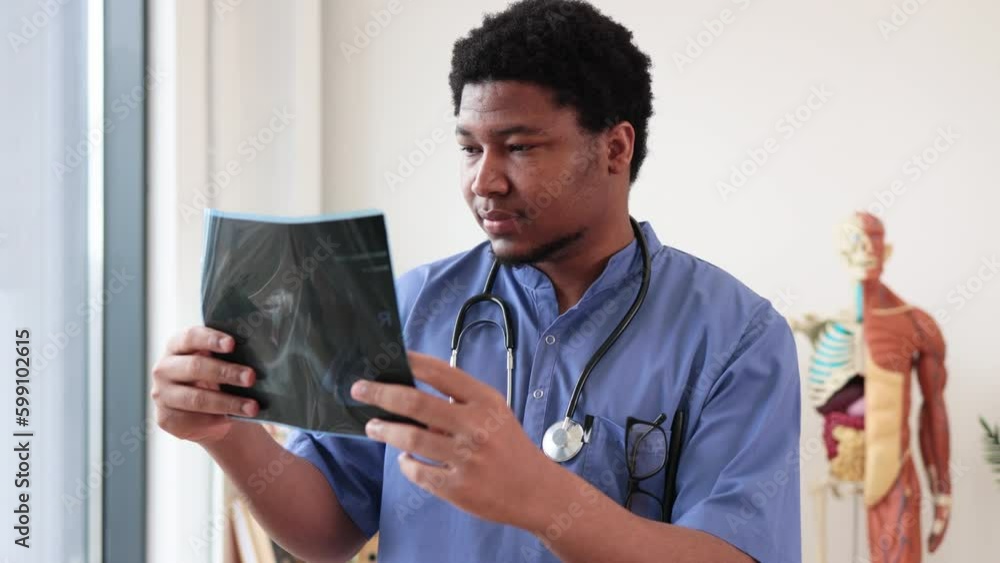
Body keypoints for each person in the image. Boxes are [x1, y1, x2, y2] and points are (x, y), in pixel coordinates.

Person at [151, 1, 802, 561]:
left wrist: (541, 496)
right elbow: (328, 528)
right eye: (469, 148)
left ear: (615, 148)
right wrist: (225, 430)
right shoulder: (413, 305)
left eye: (518, 146)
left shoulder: (737, 336)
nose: (483, 180)